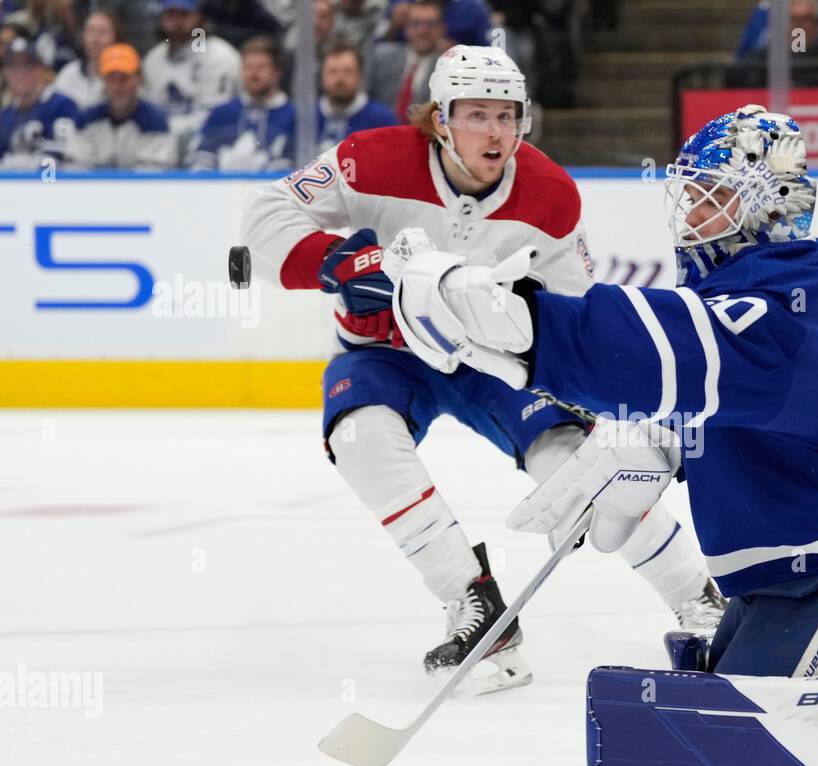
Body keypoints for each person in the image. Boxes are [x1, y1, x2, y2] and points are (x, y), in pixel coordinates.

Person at [384, 103, 818, 681]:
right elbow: (756, 396)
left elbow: (646, 350)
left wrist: (509, 315)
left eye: (711, 198)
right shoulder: (801, 274)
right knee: (711, 701)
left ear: (764, 205)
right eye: (690, 195)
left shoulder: (776, 312)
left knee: (744, 732)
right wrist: (672, 431)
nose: (691, 212)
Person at [240, 46, 724, 692]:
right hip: (384, 354)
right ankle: (474, 603)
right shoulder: (370, 159)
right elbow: (265, 217)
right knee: (359, 435)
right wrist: (341, 262)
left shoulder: (550, 194)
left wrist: (605, 408)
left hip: (492, 359)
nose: (495, 132)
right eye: (476, 115)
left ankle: (699, 599)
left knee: (575, 463)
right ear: (440, 120)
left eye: (506, 115)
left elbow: (578, 312)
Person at [188, 35, 294, 171]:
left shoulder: (295, 116)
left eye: (261, 67)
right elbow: (200, 158)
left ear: (276, 72)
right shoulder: (222, 113)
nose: (253, 74)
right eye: (248, 67)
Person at [141, 0, 240, 143]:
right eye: (170, 14)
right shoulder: (152, 60)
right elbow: (148, 110)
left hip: (210, 141)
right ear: (161, 18)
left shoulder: (221, 57)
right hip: (161, 142)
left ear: (199, 17)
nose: (177, 22)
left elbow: (216, 115)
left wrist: (168, 128)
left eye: (184, 14)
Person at [64, 42, 177, 168]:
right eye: (111, 78)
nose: (117, 86)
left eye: (124, 78)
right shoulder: (86, 118)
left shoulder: (155, 121)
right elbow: (76, 169)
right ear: (102, 81)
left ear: (139, 79)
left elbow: (153, 175)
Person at [0, 34, 77, 168]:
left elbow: (57, 159)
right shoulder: (5, 116)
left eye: (28, 65)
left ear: (41, 69)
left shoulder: (62, 106)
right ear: (5, 73)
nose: (20, 74)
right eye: (13, 67)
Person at [316, 41, 399, 153]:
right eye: (333, 71)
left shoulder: (383, 121)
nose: (340, 79)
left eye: (348, 72)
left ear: (359, 76)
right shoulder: (304, 117)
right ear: (322, 76)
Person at [368, 0, 445, 115]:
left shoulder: (446, 67)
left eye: (430, 24)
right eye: (416, 23)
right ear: (406, 27)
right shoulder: (382, 57)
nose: (422, 31)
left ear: (441, 29)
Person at [50, 8, 118, 109]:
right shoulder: (68, 74)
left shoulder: (124, 77)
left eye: (103, 32)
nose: (96, 39)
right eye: (91, 31)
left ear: (115, 38)